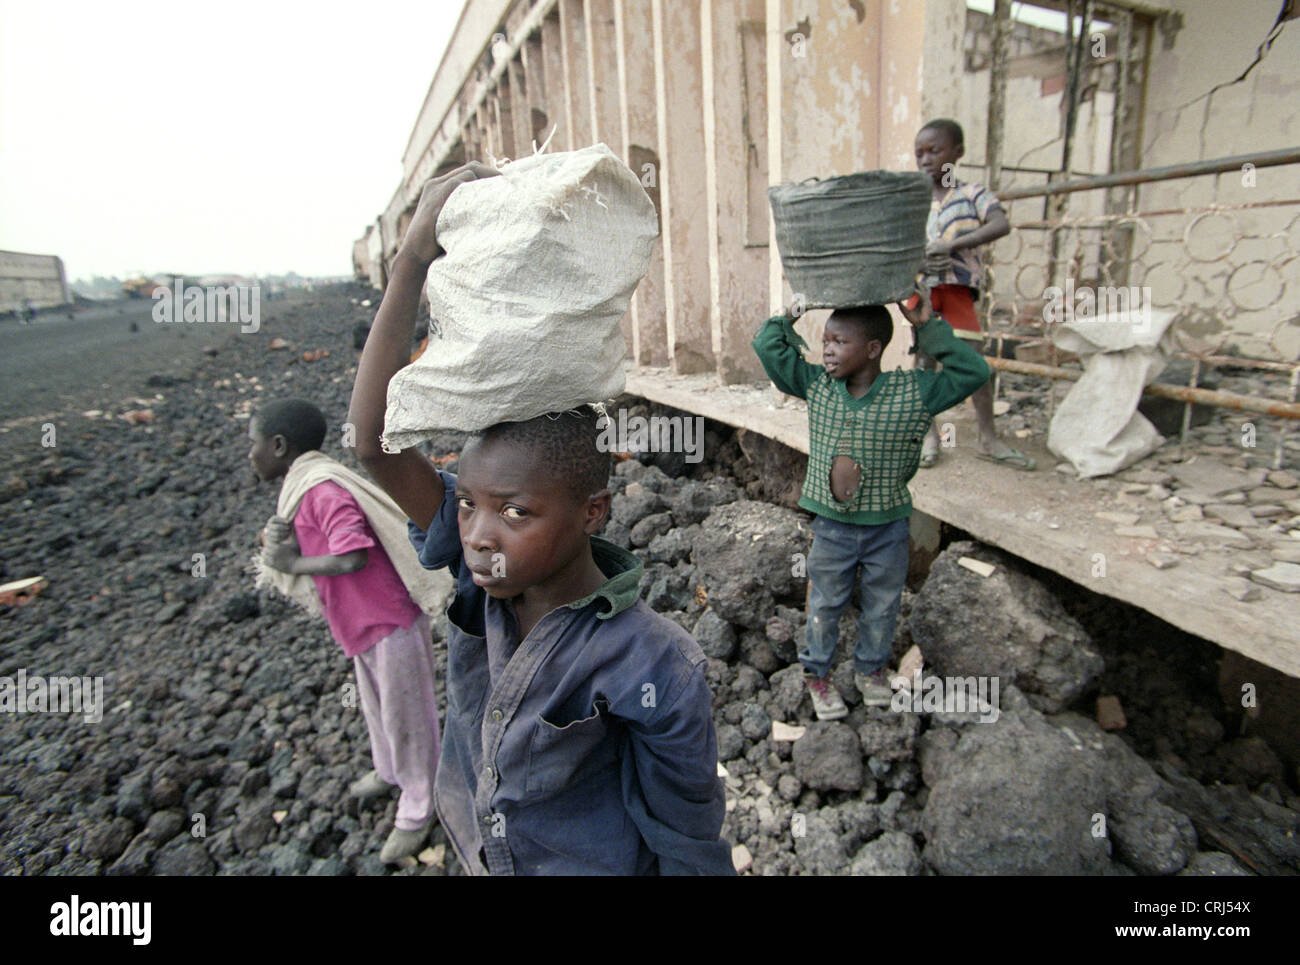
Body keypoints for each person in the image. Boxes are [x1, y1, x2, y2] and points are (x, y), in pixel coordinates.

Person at [347, 162, 734, 875]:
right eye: (466, 503)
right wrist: (410, 262)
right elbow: (373, 444)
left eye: (515, 512)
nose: (478, 533)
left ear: (595, 510)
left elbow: (688, 838)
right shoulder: (480, 576)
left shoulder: (655, 664)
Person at [751, 294, 989, 720]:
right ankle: (817, 676)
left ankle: (871, 670)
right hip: (832, 530)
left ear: (873, 349)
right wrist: (793, 311)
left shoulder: (913, 392)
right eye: (825, 340)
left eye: (839, 342)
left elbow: (973, 371)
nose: (827, 350)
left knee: (883, 605)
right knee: (825, 604)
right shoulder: (818, 386)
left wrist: (927, 326)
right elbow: (767, 346)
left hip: (889, 527)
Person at [249, 398, 446, 864]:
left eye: (252, 445)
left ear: (278, 446)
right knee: (378, 707)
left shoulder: (321, 491)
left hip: (388, 618)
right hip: (360, 622)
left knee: (407, 717)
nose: (250, 455)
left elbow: (353, 554)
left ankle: (420, 807)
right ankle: (391, 771)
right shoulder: (304, 487)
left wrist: (291, 563)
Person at [910, 117, 1034, 471]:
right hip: (922, 293)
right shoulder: (914, 203)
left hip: (957, 291)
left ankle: (988, 439)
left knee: (975, 365)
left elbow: (1000, 224)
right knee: (924, 364)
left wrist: (953, 245)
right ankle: (929, 437)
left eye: (935, 150)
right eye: (919, 153)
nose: (926, 159)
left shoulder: (972, 194)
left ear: (958, 152)